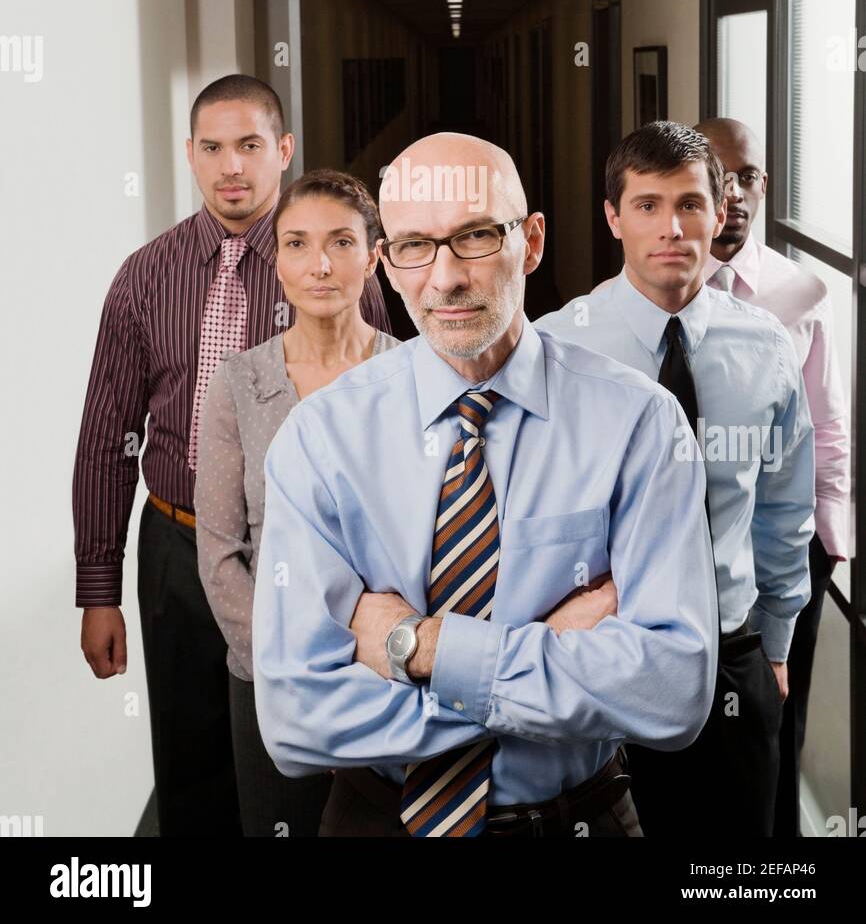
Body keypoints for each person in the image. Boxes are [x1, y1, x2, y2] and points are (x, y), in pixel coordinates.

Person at [252, 131, 718, 838]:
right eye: (413, 246)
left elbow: (673, 691)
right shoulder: (321, 440)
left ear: (531, 243)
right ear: (385, 264)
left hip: (574, 819)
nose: (444, 279)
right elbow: (295, 717)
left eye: (473, 237)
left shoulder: (640, 426)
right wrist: (535, 662)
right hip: (379, 820)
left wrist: (422, 648)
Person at [72, 74, 391, 837]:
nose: (232, 167)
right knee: (192, 769)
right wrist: (98, 587)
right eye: (212, 148)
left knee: (301, 773)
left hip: (305, 555)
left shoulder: (329, 264)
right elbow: (107, 438)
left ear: (282, 150)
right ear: (189, 154)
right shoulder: (144, 277)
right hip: (180, 550)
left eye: (250, 145)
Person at [536, 121, 815, 838]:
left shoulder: (766, 349)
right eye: (648, 204)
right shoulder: (558, 346)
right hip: (602, 660)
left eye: (691, 204)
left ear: (720, 215)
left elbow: (784, 512)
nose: (672, 227)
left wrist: (776, 647)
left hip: (733, 658)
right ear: (613, 218)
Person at [194, 170, 402, 836]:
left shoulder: (417, 378)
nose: (319, 265)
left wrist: (386, 653)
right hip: (271, 677)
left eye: (341, 243)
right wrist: (292, 661)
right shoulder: (238, 382)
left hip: (393, 676)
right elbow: (221, 552)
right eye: (297, 244)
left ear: (373, 257)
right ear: (276, 259)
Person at [696, 116, 850, 837]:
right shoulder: (664, 287)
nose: (736, 194)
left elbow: (829, 425)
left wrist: (832, 539)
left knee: (777, 713)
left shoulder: (800, 293)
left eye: (750, 176)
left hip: (790, 551)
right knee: (691, 723)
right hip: (693, 552)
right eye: (719, 177)